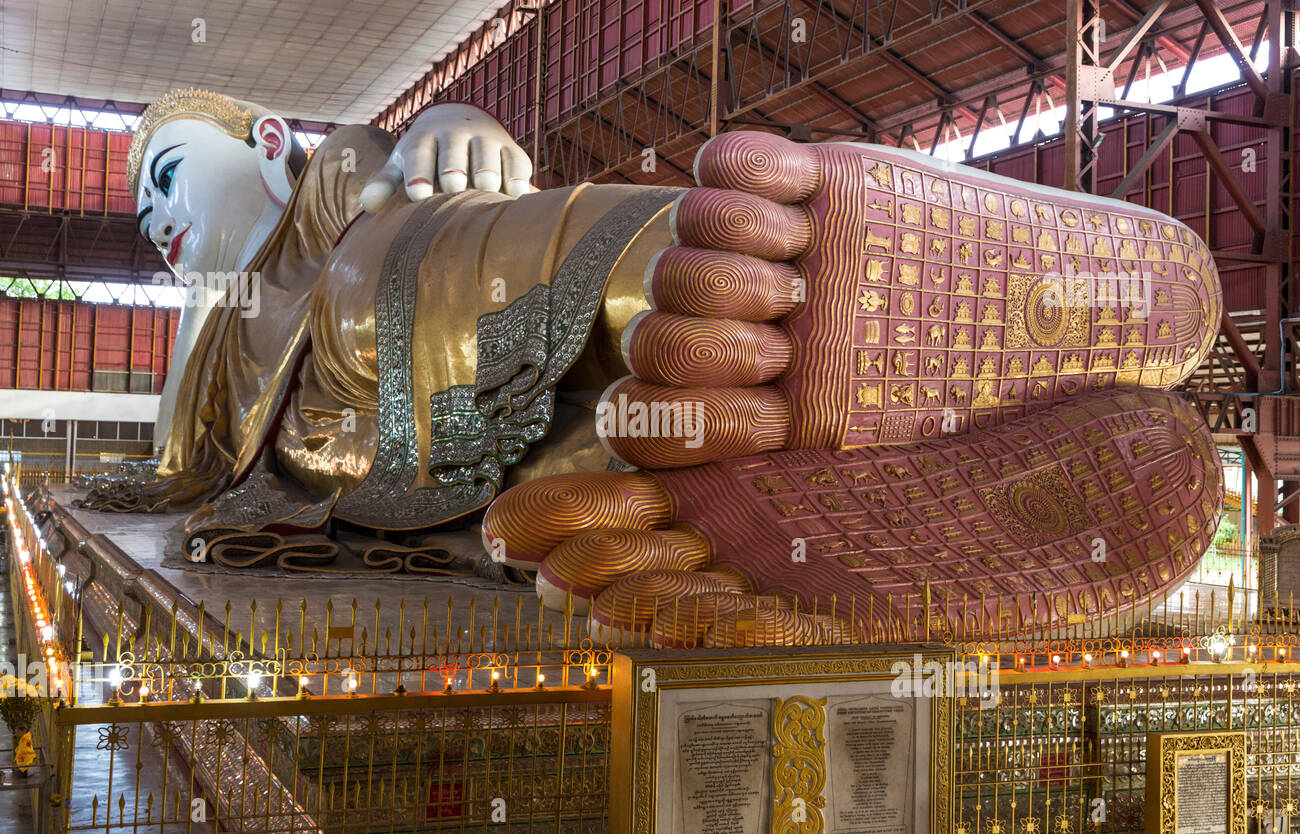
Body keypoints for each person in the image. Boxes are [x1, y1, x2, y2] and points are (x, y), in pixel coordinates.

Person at [113, 89, 1224, 641]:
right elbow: (185, 458)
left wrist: (447, 122)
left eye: (165, 178)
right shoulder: (217, 349)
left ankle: (777, 283)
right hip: (383, 460)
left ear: (266, 144)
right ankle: (758, 453)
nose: (156, 222)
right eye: (142, 217)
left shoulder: (321, 197)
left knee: (484, 278)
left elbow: (374, 163)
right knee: (597, 469)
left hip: (389, 280)